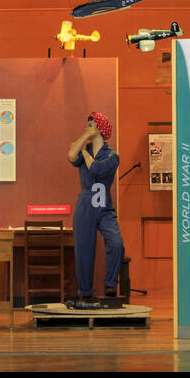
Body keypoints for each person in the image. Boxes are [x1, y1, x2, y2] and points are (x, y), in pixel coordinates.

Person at [66, 111, 124, 310]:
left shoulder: (112, 155)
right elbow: (70, 155)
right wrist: (83, 141)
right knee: (84, 250)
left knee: (116, 243)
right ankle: (85, 292)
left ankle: (110, 286)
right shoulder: (85, 148)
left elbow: (97, 170)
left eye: (91, 125)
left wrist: (82, 150)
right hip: (85, 205)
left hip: (104, 206)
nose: (87, 127)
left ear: (99, 128)